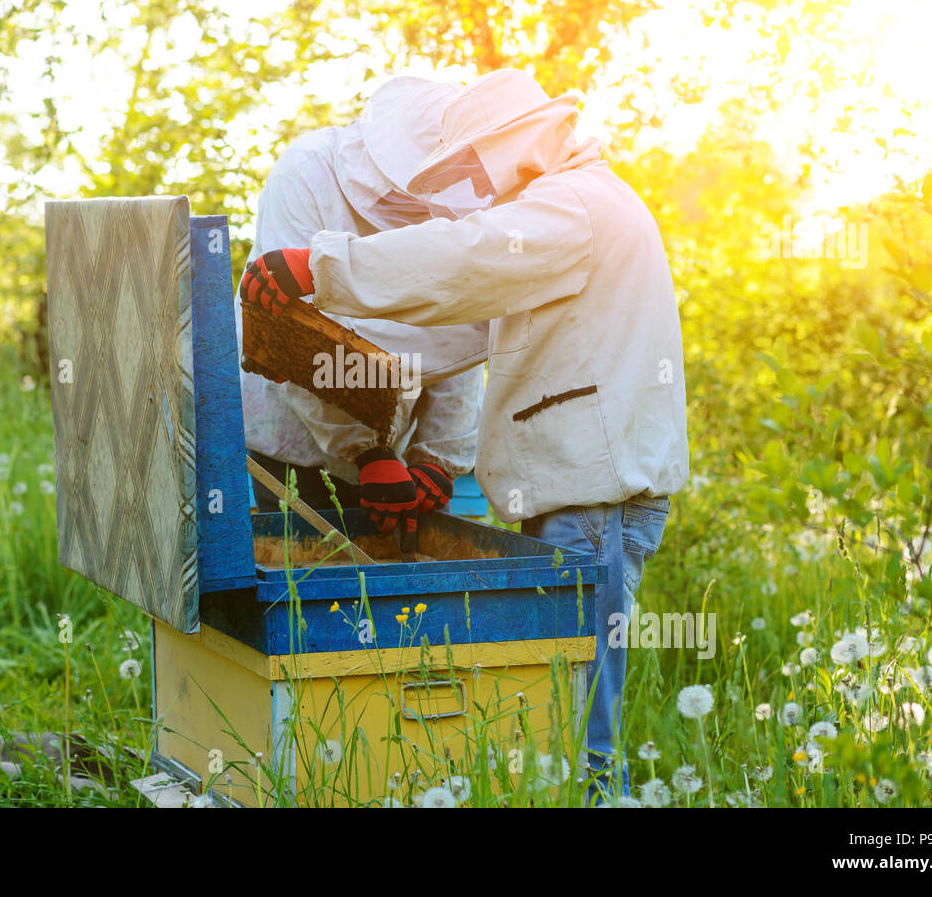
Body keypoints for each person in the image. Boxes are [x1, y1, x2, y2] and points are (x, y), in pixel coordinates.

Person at [240, 69, 689, 795]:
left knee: (580, 727)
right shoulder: (589, 202)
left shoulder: (570, 209)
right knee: (564, 713)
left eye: (481, 160)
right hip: (587, 500)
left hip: (594, 506)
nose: (478, 181)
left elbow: (459, 264)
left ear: (526, 138)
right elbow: (461, 313)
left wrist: (318, 267)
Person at [237, 75, 491, 532]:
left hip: (399, 431)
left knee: (408, 595)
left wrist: (436, 456)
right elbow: (295, 332)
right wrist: (365, 451)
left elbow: (463, 331)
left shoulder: (469, 204)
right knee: (313, 585)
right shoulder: (306, 174)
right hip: (294, 435)